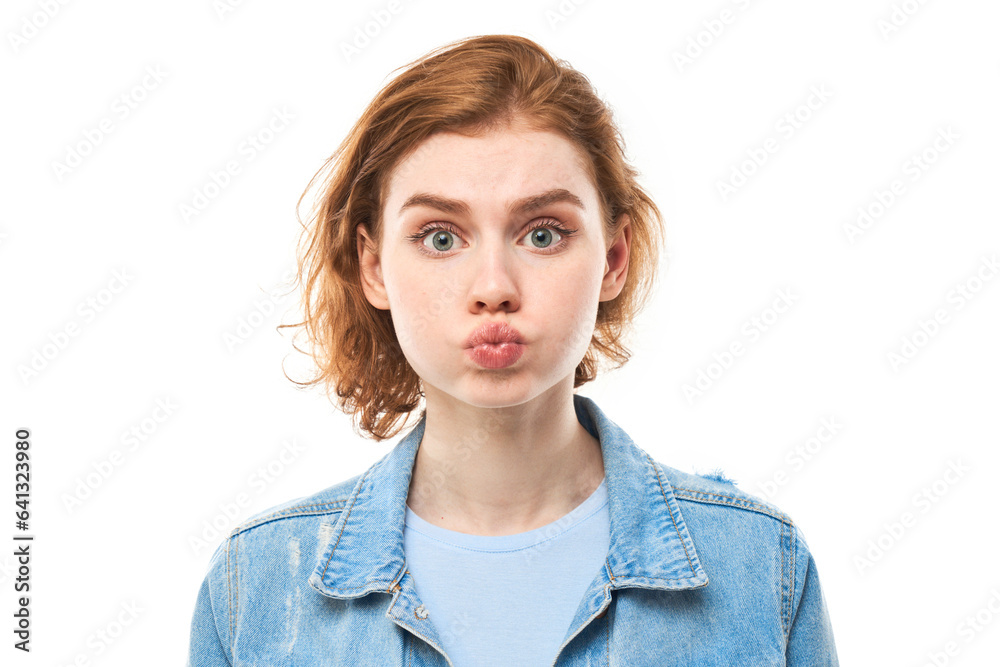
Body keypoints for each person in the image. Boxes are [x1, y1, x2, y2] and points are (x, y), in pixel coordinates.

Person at [187, 33, 839, 666]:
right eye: (441, 238)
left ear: (614, 257)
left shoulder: (760, 566)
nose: (494, 288)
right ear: (374, 266)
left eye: (544, 234)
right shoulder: (255, 588)